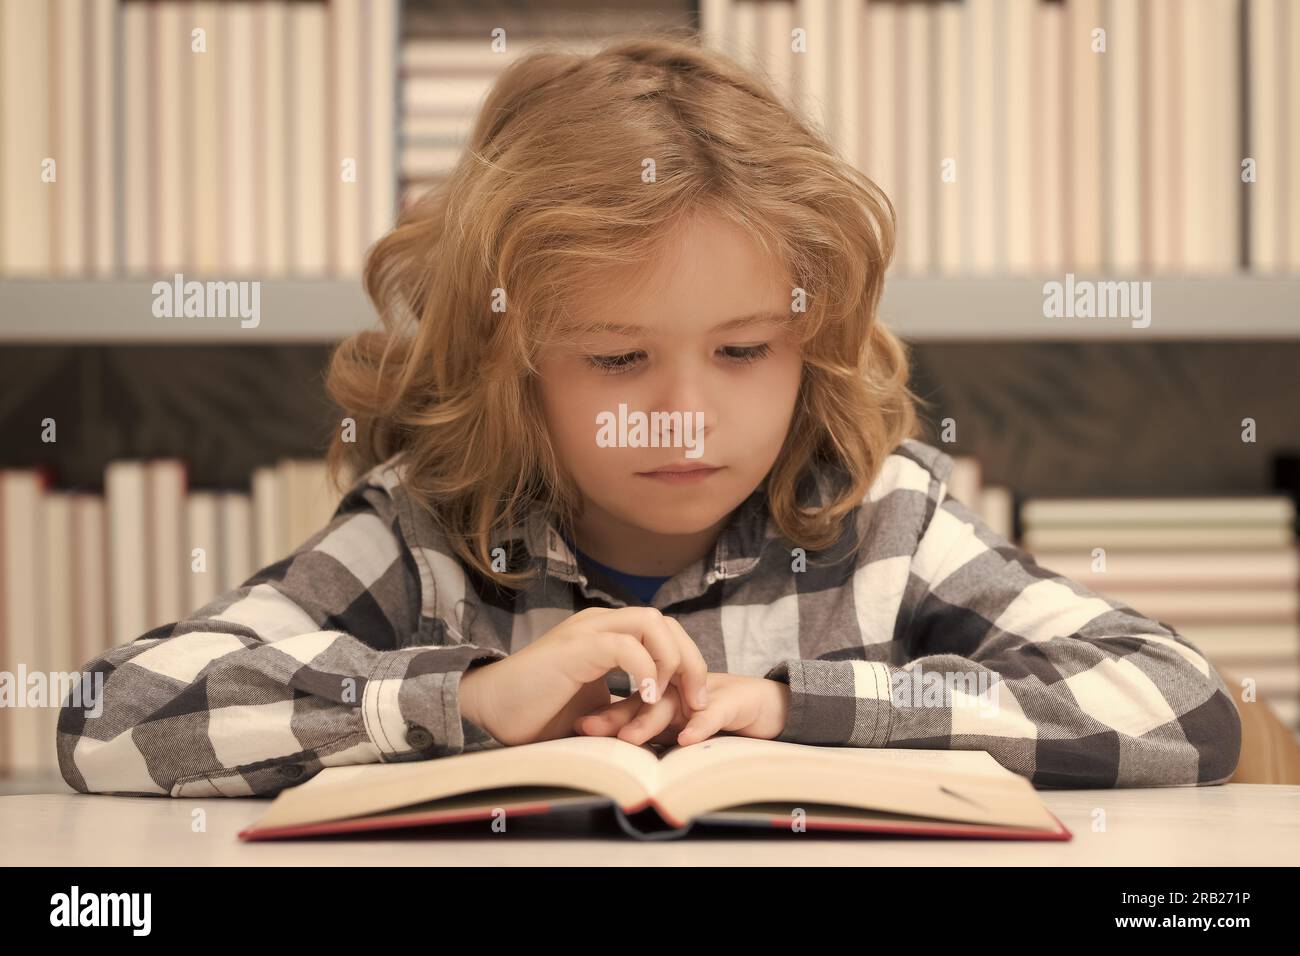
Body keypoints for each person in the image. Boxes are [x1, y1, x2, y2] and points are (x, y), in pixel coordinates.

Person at [57, 32, 1240, 798]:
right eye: (618, 357)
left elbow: (1182, 704)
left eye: (742, 350)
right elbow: (113, 717)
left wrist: (795, 714)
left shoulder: (879, 520)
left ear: (811, 336)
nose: (685, 415)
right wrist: (460, 698)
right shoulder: (431, 530)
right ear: (510, 360)